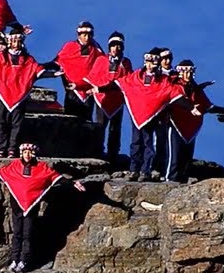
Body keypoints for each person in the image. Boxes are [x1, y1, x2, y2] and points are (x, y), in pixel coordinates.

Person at [0, 142, 86, 273]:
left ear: (33, 154)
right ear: (21, 153)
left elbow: (56, 178)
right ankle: (14, 260)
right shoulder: (15, 166)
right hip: (17, 206)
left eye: (29, 152)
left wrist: (72, 183)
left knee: (27, 235)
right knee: (17, 233)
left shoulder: (42, 167)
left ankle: (24, 261)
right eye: (24, 152)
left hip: (31, 207)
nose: (27, 155)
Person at [91, 48, 188, 181]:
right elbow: (120, 83)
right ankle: (134, 170)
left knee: (148, 143)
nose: (150, 65)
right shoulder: (136, 76)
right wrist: (100, 88)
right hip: (137, 114)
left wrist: (191, 107)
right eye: (148, 61)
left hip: (152, 116)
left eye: (153, 62)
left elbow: (174, 94)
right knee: (136, 142)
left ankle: (145, 171)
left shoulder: (163, 80)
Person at [0, 30, 61, 158]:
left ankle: (12, 149)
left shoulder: (27, 59)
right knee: (1, 122)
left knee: (17, 124)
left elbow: (37, 72)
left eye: (19, 41)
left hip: (19, 95)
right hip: (3, 93)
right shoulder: (0, 57)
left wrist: (53, 74)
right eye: (14, 40)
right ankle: (1, 149)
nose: (16, 43)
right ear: (9, 42)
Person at [162, 59, 216, 182]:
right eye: (185, 72)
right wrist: (190, 107)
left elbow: (208, 106)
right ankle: (169, 181)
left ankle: (182, 181)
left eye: (190, 72)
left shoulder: (196, 89)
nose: (188, 75)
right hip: (175, 124)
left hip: (191, 127)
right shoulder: (173, 85)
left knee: (186, 158)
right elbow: (174, 99)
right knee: (174, 156)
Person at [85, 31, 132, 164]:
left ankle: (113, 154)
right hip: (102, 99)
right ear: (109, 46)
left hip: (117, 100)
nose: (116, 48)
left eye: (118, 45)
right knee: (100, 126)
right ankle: (97, 151)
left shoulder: (125, 63)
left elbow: (127, 80)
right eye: (113, 45)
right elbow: (94, 77)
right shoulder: (101, 60)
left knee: (115, 128)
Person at [54, 21, 104, 120]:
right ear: (79, 35)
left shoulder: (96, 48)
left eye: (89, 35)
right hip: (72, 90)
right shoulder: (69, 46)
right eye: (84, 35)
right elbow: (58, 61)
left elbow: (102, 65)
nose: (87, 37)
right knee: (70, 120)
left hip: (88, 91)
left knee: (86, 121)